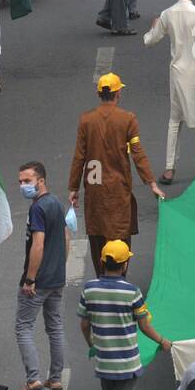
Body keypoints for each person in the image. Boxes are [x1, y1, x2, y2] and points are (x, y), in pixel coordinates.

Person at [78, 240, 174, 390]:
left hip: (104, 363)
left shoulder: (89, 289)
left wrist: (92, 345)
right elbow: (144, 325)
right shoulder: (132, 292)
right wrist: (162, 341)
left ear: (102, 262)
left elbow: (84, 323)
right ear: (125, 264)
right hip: (127, 364)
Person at [68, 73, 164, 276]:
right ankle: (119, 280)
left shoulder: (86, 120)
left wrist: (74, 188)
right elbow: (137, 153)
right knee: (120, 236)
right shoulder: (127, 119)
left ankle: (100, 279)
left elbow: (79, 156)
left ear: (98, 94)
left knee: (97, 236)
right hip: (119, 190)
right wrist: (151, 182)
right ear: (118, 93)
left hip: (94, 190)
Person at [144, 0, 195, 181]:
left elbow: (149, 40)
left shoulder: (167, 14)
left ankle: (169, 168)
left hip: (177, 73)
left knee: (175, 120)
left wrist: (153, 27)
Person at [14, 161, 68, 390]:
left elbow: (38, 244)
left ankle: (33, 378)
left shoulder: (37, 208)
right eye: (20, 182)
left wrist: (30, 279)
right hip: (56, 279)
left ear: (41, 180)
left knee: (23, 327)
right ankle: (55, 378)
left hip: (39, 281)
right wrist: (60, 266)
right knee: (54, 327)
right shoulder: (55, 202)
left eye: (27, 181)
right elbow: (66, 236)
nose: (23, 186)